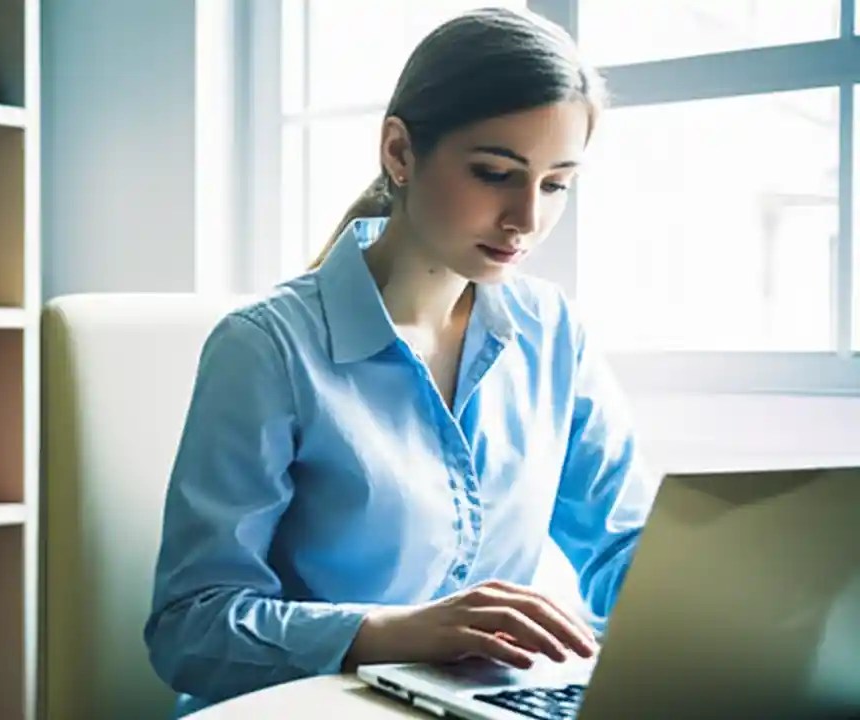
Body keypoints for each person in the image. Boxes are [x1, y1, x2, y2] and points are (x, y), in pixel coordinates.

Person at [143, 6, 661, 717]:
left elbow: (623, 548)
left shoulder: (553, 333)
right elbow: (189, 629)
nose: (527, 219)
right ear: (399, 152)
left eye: (556, 184)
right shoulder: (266, 349)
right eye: (494, 173)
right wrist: (397, 633)